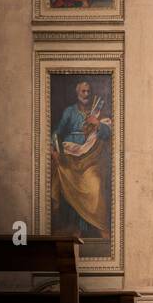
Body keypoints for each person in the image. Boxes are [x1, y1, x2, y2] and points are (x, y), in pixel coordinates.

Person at [51, 80, 112, 238]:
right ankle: (76, 229)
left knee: (95, 184)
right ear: (77, 94)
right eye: (83, 91)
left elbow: (107, 134)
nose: (86, 94)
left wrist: (97, 123)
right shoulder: (69, 112)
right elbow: (57, 133)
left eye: (88, 91)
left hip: (92, 160)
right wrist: (55, 151)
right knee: (66, 178)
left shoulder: (97, 112)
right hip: (71, 158)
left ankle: (99, 226)